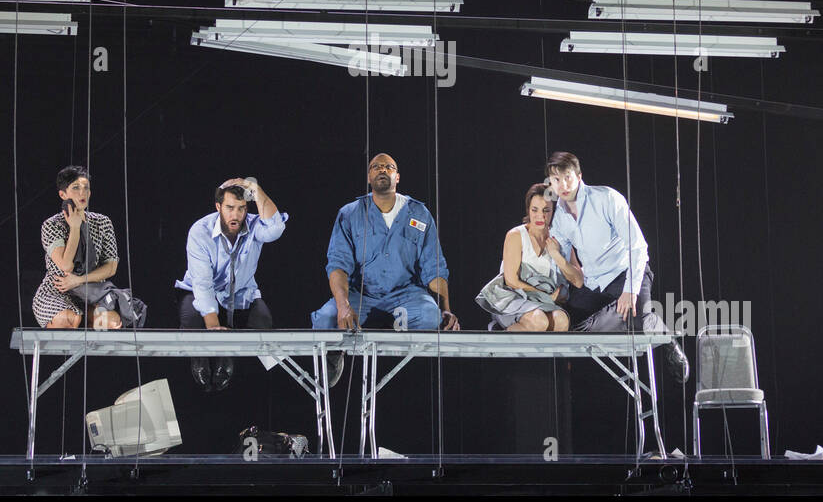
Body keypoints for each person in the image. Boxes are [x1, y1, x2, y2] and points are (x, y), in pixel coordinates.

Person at [311, 153, 458, 384]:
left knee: (431, 316)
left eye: (389, 167)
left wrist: (446, 309)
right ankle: (334, 356)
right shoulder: (349, 214)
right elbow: (338, 265)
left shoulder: (419, 214)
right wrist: (343, 307)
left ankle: (404, 359)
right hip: (362, 295)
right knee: (325, 319)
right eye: (376, 167)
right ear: (369, 176)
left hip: (405, 295)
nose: (382, 170)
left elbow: (435, 267)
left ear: (397, 177)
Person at [544, 152, 690, 381]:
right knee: (567, 324)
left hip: (626, 274)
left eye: (567, 177)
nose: (562, 185)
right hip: (594, 283)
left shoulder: (607, 198)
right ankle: (624, 316)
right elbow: (560, 262)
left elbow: (639, 247)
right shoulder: (560, 218)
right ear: (550, 183)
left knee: (639, 318)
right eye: (556, 179)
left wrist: (630, 291)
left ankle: (659, 331)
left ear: (579, 176)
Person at [176, 178, 287, 392]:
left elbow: (276, 228)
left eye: (241, 208)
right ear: (218, 207)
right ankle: (200, 359)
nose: (235, 215)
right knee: (191, 321)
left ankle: (238, 363)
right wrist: (213, 329)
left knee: (264, 324)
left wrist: (255, 189)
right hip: (198, 292)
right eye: (229, 208)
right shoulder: (200, 231)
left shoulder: (255, 225)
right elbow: (202, 283)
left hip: (241, 294)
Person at [477, 183, 584, 331]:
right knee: (539, 320)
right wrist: (547, 296)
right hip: (515, 298)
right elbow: (511, 280)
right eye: (535, 210)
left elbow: (578, 281)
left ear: (553, 211)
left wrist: (556, 255)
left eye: (546, 210)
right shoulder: (516, 235)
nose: (540, 216)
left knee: (562, 321)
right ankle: (502, 337)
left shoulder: (560, 238)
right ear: (528, 209)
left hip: (545, 302)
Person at [33, 165, 123, 330]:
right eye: (76, 188)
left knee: (111, 323)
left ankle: (89, 317)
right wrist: (75, 228)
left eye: (86, 188)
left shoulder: (102, 222)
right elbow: (66, 266)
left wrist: (80, 280)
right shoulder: (52, 225)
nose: (82, 193)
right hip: (58, 290)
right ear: (63, 194)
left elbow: (111, 267)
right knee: (71, 319)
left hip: (90, 290)